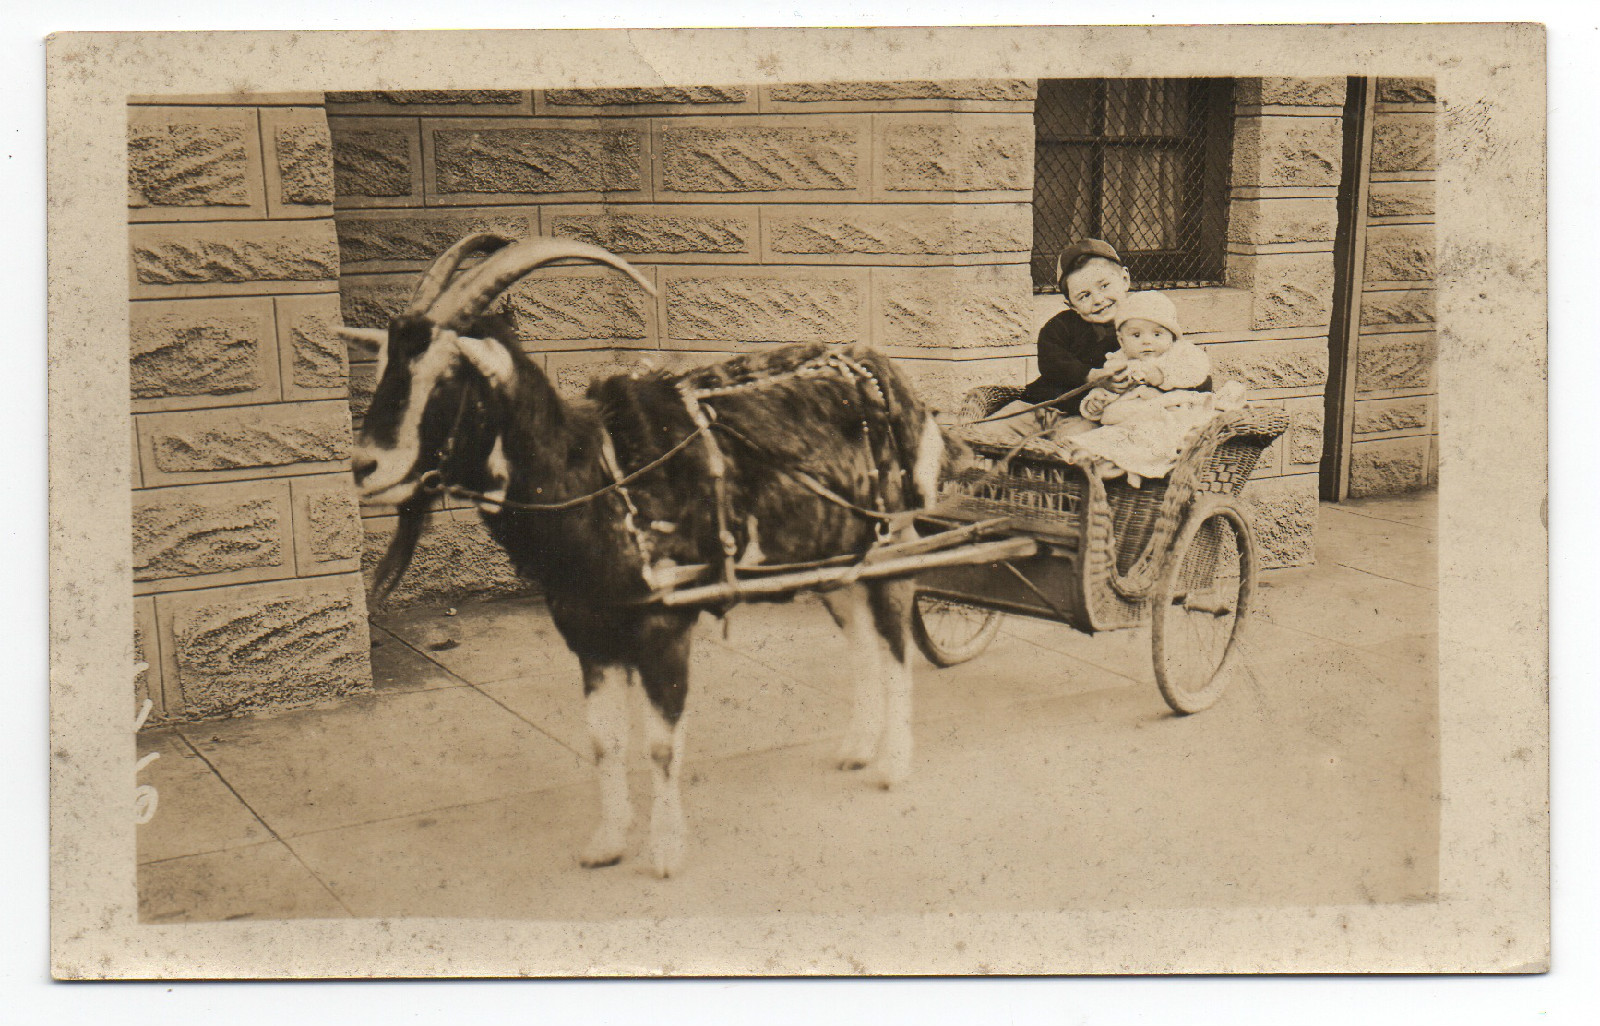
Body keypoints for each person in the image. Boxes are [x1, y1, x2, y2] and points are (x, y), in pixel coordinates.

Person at [1079, 291, 1212, 426]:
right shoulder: (1118, 361)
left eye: (1157, 334)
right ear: (1121, 340)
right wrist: (1096, 402)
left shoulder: (1179, 352)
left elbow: (1198, 369)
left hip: (1172, 406)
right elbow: (1107, 388)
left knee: (1189, 410)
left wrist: (1162, 376)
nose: (1147, 341)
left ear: (1172, 336)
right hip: (1133, 415)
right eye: (1136, 335)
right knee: (1112, 414)